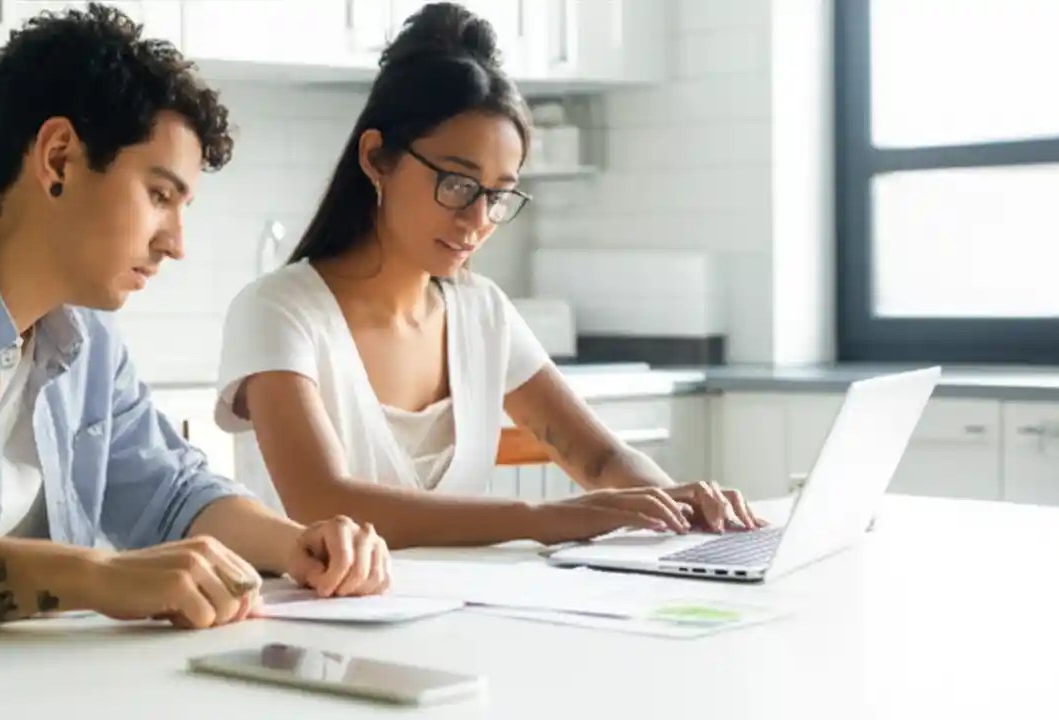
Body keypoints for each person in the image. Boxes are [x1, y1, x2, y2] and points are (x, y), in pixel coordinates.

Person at [0, 3, 389, 631]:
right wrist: (94, 575)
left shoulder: (88, 339)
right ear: (58, 159)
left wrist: (299, 546)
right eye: (160, 195)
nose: (176, 243)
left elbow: (172, 495)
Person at [214, 2, 763, 549]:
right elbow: (325, 503)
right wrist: (540, 519)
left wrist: (681, 512)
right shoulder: (279, 311)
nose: (477, 220)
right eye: (457, 183)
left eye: (499, 195)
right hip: (306, 625)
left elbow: (599, 457)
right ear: (377, 157)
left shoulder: (481, 311)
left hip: (455, 619)